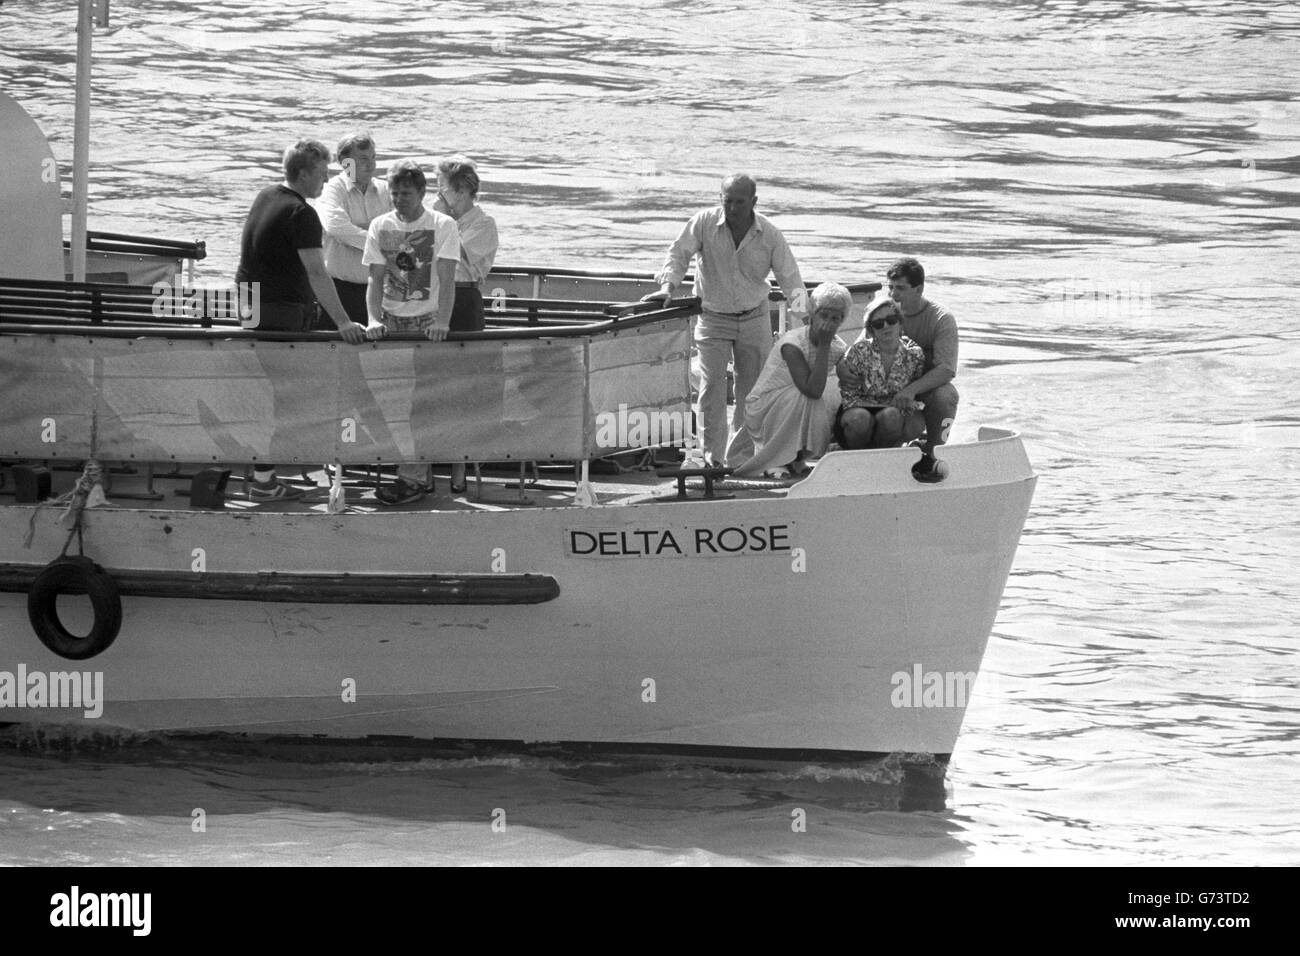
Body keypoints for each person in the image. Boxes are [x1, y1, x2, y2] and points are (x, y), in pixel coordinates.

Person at [234, 138, 372, 502]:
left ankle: (269, 472)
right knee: (288, 396)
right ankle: (265, 482)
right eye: (322, 173)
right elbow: (317, 271)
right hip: (279, 313)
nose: (325, 181)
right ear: (305, 173)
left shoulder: (266, 196)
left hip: (251, 309)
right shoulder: (302, 214)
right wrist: (343, 321)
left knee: (278, 394)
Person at [644, 173, 807, 468]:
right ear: (720, 198)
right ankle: (712, 459)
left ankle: (740, 457)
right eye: (727, 200)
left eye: (740, 202)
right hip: (712, 316)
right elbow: (678, 253)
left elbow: (789, 276)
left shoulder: (769, 234)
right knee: (711, 389)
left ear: (754, 202)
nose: (732, 208)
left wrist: (804, 317)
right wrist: (668, 287)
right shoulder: (704, 222)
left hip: (754, 315)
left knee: (752, 393)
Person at [362, 158, 460, 506]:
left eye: (406, 192)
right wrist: (374, 319)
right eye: (395, 193)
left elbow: (447, 279)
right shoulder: (379, 225)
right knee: (392, 401)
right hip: (391, 320)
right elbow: (374, 278)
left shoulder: (443, 225)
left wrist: (442, 321)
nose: (400, 199)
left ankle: (413, 477)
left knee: (421, 403)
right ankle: (414, 473)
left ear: (422, 192)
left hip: (425, 319)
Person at [733, 282, 850, 479]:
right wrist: (824, 345)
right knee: (803, 396)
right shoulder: (792, 344)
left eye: (835, 318)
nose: (828, 323)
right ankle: (774, 460)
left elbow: (846, 374)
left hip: (797, 399)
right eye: (824, 315)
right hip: (763, 406)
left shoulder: (839, 347)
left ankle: (796, 458)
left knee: (810, 401)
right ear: (812, 314)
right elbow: (812, 389)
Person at [433, 155, 499, 495]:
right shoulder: (440, 220)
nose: (438, 196)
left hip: (463, 302)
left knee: (463, 389)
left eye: (442, 189)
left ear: (459, 191)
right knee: (429, 384)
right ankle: (425, 467)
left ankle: (459, 469)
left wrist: (439, 220)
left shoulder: (483, 224)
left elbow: (457, 260)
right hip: (434, 298)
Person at [316, 131, 392, 328]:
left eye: (373, 157)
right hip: (340, 291)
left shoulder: (386, 190)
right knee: (334, 352)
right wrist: (380, 243)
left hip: (378, 291)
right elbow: (337, 228)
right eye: (364, 159)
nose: (371, 164)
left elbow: (402, 230)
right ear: (345, 162)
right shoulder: (331, 190)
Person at [836, 294, 926, 449]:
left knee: (893, 416)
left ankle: (880, 457)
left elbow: (915, 394)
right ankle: (855, 456)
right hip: (857, 412)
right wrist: (883, 404)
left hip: (893, 415)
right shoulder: (859, 351)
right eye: (878, 324)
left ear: (899, 322)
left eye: (891, 320)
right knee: (860, 418)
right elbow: (849, 398)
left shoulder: (914, 354)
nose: (886, 326)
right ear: (871, 330)